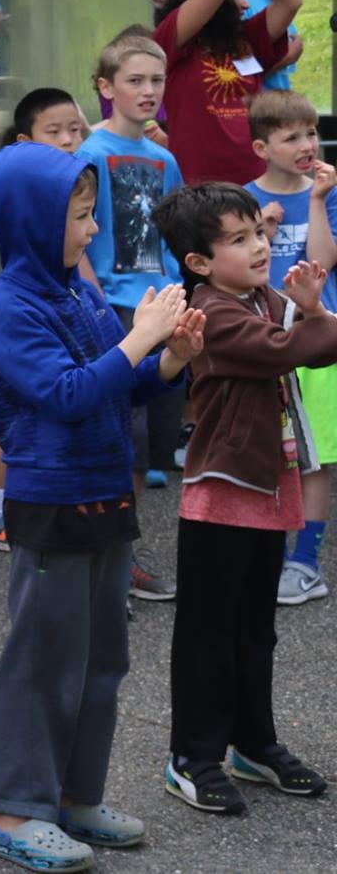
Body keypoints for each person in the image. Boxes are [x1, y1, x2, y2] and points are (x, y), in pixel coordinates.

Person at [0, 142, 200, 871]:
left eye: (90, 213)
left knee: (102, 658)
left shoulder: (80, 288)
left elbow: (124, 382)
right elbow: (68, 394)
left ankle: (76, 797)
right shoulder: (11, 305)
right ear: (33, 220)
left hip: (106, 491)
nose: (93, 229)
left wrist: (171, 357)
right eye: (78, 217)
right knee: (44, 662)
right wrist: (141, 338)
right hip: (51, 501)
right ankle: (16, 808)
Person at [153, 182, 337, 815]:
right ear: (199, 262)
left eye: (258, 232)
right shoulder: (211, 312)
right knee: (207, 634)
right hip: (222, 490)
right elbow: (287, 349)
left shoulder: (261, 297)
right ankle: (193, 757)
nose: (260, 246)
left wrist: (309, 308)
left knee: (255, 630)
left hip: (265, 484)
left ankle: (254, 744)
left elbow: (309, 339)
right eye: (239, 239)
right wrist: (313, 317)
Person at [0, 88, 93, 551]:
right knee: (19, 422)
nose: (68, 140)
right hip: (38, 328)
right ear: (24, 142)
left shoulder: (72, 184)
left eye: (75, 130)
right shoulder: (31, 198)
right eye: (54, 131)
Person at [80, 33, 189, 514]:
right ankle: (113, 540)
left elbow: (175, 232)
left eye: (157, 80)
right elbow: (77, 233)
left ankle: (130, 538)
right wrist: (95, 299)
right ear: (106, 86)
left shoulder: (165, 158)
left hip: (162, 303)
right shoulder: (89, 153)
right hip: (115, 306)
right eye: (135, 80)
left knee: (153, 437)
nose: (149, 91)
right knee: (123, 431)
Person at [239, 88, 337, 606]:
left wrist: (317, 200)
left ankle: (305, 564)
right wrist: (262, 228)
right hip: (262, 337)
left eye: (312, 134)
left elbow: (324, 261)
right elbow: (235, 272)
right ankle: (269, 556)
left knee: (316, 456)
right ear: (261, 148)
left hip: (315, 338)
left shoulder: (327, 192)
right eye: (292, 137)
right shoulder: (241, 199)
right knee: (268, 452)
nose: (307, 145)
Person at [152, 0, 302, 184]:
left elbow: (291, 1)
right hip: (198, 190)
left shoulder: (247, 41)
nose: (245, 4)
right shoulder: (173, 42)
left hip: (256, 184)